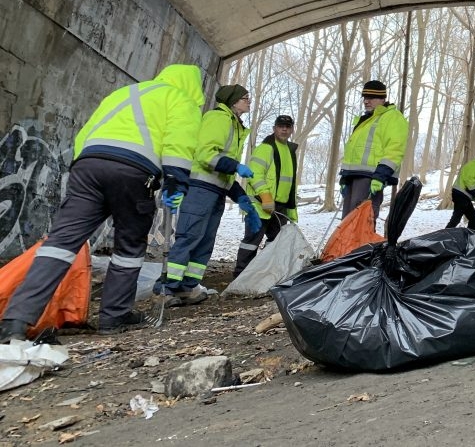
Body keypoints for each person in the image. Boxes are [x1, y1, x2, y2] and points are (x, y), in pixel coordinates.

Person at [0, 64, 204, 341]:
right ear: (193, 86)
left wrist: (83, 168)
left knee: (60, 244)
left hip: (88, 166)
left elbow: (85, 133)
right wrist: (175, 181)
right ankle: (114, 316)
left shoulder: (123, 94)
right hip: (133, 172)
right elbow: (179, 142)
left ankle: (16, 320)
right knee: (129, 247)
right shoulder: (180, 98)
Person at [157, 84, 260, 306]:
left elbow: (222, 169)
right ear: (233, 101)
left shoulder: (235, 125)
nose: (249, 101)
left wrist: (240, 196)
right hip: (200, 189)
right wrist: (235, 166)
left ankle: (188, 287)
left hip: (216, 191)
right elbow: (206, 155)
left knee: (205, 241)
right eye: (245, 98)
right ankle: (166, 289)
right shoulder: (218, 118)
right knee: (190, 236)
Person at [232, 114, 299, 277]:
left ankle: (264, 276)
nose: (284, 130)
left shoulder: (290, 151)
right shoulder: (265, 148)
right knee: (251, 242)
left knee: (275, 244)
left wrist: (290, 209)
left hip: (279, 207)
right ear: (274, 128)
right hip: (259, 204)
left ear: (292, 129)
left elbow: (289, 184)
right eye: (280, 126)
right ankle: (240, 276)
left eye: (287, 127)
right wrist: (266, 196)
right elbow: (255, 174)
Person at [338, 80, 409, 225]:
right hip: (353, 177)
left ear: (382, 99)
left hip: (370, 178)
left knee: (362, 222)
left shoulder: (392, 117)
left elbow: (394, 149)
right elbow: (353, 152)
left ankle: (364, 241)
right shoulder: (365, 121)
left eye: (371, 97)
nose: (366, 101)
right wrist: (344, 177)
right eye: (365, 97)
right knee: (347, 223)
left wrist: (380, 176)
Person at [445, 152, 475, 229]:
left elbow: (471, 184)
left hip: (464, 195)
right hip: (460, 194)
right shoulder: (474, 167)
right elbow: (470, 183)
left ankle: (469, 235)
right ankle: (445, 234)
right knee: (456, 219)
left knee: (473, 219)